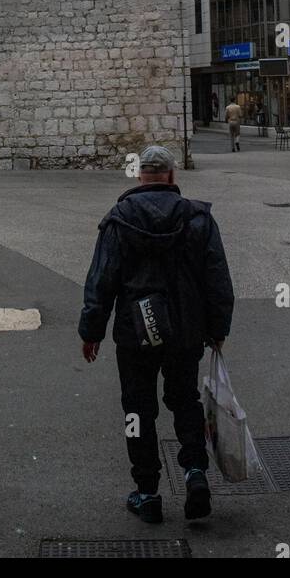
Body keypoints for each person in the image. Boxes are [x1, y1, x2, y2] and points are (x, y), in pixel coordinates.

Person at [78, 144, 234, 525]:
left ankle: (147, 492)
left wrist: (91, 330)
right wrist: (217, 329)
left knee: (137, 409)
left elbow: (102, 279)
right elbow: (217, 280)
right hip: (184, 329)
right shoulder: (199, 218)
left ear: (138, 175)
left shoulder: (118, 220)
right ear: (171, 175)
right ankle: (195, 471)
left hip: (135, 331)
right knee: (185, 400)